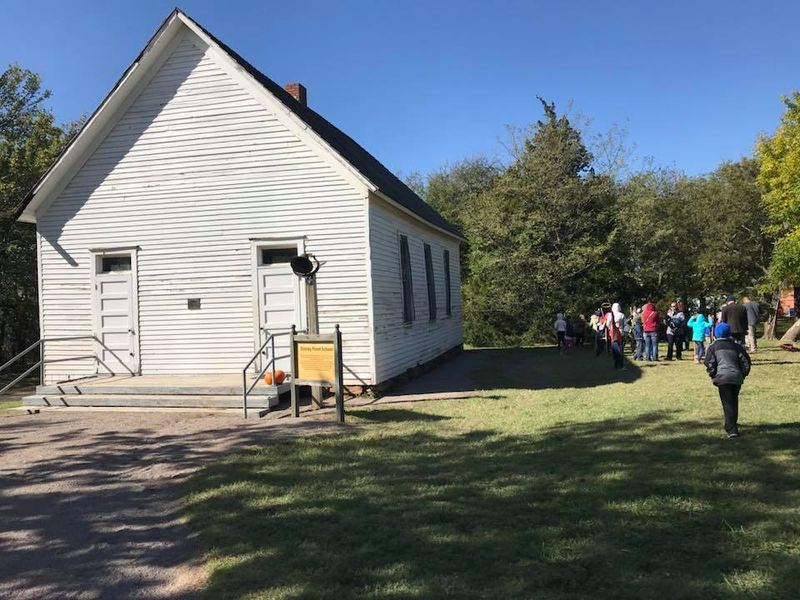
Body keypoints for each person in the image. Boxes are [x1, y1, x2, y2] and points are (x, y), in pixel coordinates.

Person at [704, 322, 751, 438]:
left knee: (727, 402)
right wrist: (743, 374)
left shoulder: (713, 347)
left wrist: (713, 375)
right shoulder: (737, 347)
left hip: (723, 378)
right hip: (736, 377)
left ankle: (731, 429)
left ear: (715, 334)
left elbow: (709, 363)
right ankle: (732, 423)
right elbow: (746, 362)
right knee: (733, 400)